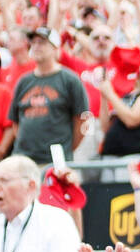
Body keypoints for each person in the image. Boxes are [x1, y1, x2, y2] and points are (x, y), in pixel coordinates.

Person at [7, 28, 89, 165]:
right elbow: (15, 122)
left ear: (55, 48)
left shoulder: (70, 80)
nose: (37, 46)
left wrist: (67, 149)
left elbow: (83, 119)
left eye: (42, 42)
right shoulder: (24, 81)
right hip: (23, 157)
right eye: (34, 42)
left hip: (55, 160)